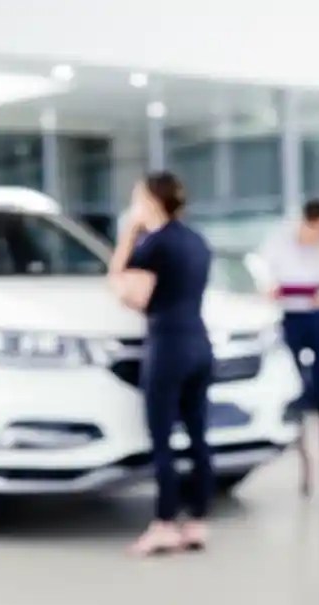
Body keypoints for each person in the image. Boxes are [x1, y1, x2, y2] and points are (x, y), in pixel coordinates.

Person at [109, 172, 215, 556]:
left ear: (151, 202)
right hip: (200, 344)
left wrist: (128, 237)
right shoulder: (197, 241)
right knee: (199, 435)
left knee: (162, 439)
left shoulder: (155, 244)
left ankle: (164, 524)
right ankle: (198, 521)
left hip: (167, 345)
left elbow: (131, 292)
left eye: (137, 199)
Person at [258, 198, 319, 497]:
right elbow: (268, 282)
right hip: (290, 319)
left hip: (318, 319)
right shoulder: (280, 241)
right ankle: (305, 474)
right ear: (306, 223)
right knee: (296, 393)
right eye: (316, 229)